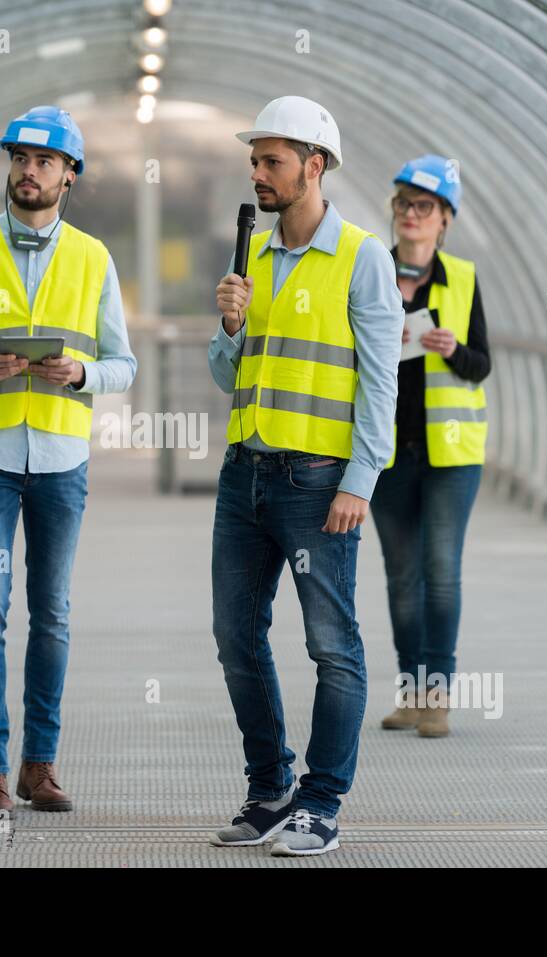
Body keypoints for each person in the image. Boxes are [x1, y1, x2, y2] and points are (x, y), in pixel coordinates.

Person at [0, 106, 136, 820]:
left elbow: (123, 364)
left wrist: (82, 376)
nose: (29, 170)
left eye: (44, 161)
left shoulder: (93, 258)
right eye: (20, 158)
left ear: (69, 176)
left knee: (54, 613)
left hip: (62, 460)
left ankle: (40, 764)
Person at [207, 96, 404, 856]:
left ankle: (321, 801)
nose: (257, 173)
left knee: (332, 643)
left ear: (314, 166)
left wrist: (361, 478)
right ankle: (269, 789)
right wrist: (228, 328)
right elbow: (231, 374)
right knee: (234, 635)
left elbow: (380, 381)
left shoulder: (362, 257)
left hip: (320, 485)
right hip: (243, 475)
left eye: (272, 161)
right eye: (254, 160)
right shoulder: (249, 256)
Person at [371, 154, 490, 739]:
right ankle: (412, 691)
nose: (412, 216)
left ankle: (437, 696)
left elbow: (481, 365)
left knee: (441, 571)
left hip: (451, 455)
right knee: (401, 576)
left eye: (425, 207)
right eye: (404, 205)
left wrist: (450, 349)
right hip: (386, 451)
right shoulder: (370, 274)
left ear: (445, 219)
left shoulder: (462, 280)